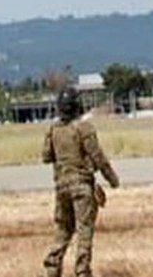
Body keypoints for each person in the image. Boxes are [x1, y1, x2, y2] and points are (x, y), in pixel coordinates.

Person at [41, 86, 120, 277]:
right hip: (82, 186)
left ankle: (52, 267)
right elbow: (98, 156)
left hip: (61, 186)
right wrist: (112, 179)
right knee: (84, 230)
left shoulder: (53, 130)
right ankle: (82, 271)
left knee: (63, 229)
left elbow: (45, 156)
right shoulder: (84, 128)